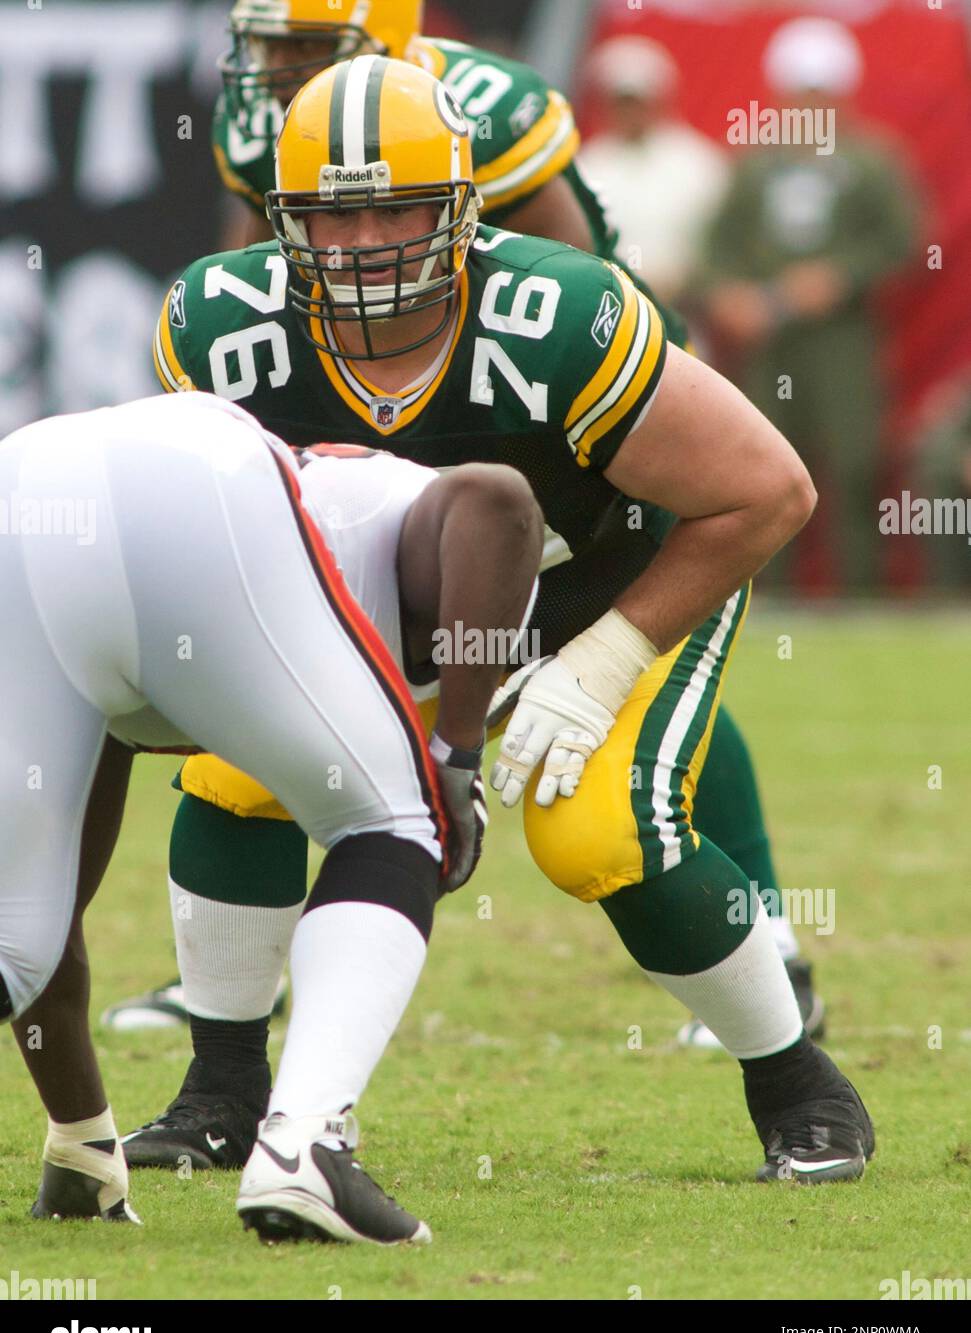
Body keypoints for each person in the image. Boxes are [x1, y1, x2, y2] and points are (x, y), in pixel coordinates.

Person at [133, 56, 872, 1185]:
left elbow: (763, 492)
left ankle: (793, 1081)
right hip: (400, 609)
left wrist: (605, 657)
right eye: (332, 216)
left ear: (463, 211)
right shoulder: (221, 327)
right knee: (234, 776)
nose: (364, 242)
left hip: (610, 586)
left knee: (598, 834)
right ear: (280, 219)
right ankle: (223, 1091)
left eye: (396, 206)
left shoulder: (559, 318)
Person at [0, 388, 544, 1243]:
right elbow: (500, 498)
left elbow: (58, 893)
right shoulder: (390, 511)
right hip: (196, 478)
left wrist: (82, 1141)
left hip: (23, 482)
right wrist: (457, 750)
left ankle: (77, 1146)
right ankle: (304, 1149)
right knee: (399, 825)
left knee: (14, 938)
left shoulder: (155, 644)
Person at [700, 16, 918, 594]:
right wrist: (731, 293)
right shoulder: (755, 167)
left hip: (842, 338)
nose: (811, 103)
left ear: (843, 93)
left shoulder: (873, 160)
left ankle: (860, 596)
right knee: (769, 471)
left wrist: (841, 277)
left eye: (821, 91)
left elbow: (902, 240)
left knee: (853, 463)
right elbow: (718, 248)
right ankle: (769, 600)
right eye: (802, 91)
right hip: (773, 341)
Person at [579, 36, 730, 305]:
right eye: (621, 102)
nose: (629, 112)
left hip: (685, 309)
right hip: (607, 307)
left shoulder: (699, 163)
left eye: (637, 101)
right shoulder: (587, 164)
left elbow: (722, 243)